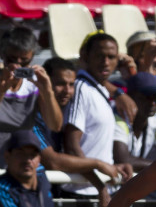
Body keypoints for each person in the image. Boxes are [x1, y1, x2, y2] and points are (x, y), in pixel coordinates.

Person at [33, 57, 134, 185]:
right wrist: (99, 165)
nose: (67, 91)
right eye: (60, 83)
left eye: (71, 85)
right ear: (43, 81)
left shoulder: (66, 109)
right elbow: (53, 161)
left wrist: (111, 167)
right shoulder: (32, 116)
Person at [62, 32, 126, 207]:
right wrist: (100, 186)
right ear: (85, 56)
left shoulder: (99, 90)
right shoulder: (81, 89)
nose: (106, 62)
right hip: (80, 192)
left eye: (111, 57)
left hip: (99, 191)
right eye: (100, 56)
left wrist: (115, 167)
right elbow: (72, 147)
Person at [0, 27, 62, 167]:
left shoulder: (34, 84)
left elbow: (54, 125)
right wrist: (2, 90)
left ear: (32, 57)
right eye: (12, 59)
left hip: (23, 165)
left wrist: (47, 92)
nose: (17, 65)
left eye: (24, 61)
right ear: (2, 55)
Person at [113, 72, 156, 182]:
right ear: (130, 97)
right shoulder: (118, 119)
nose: (153, 103)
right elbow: (123, 159)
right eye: (146, 97)